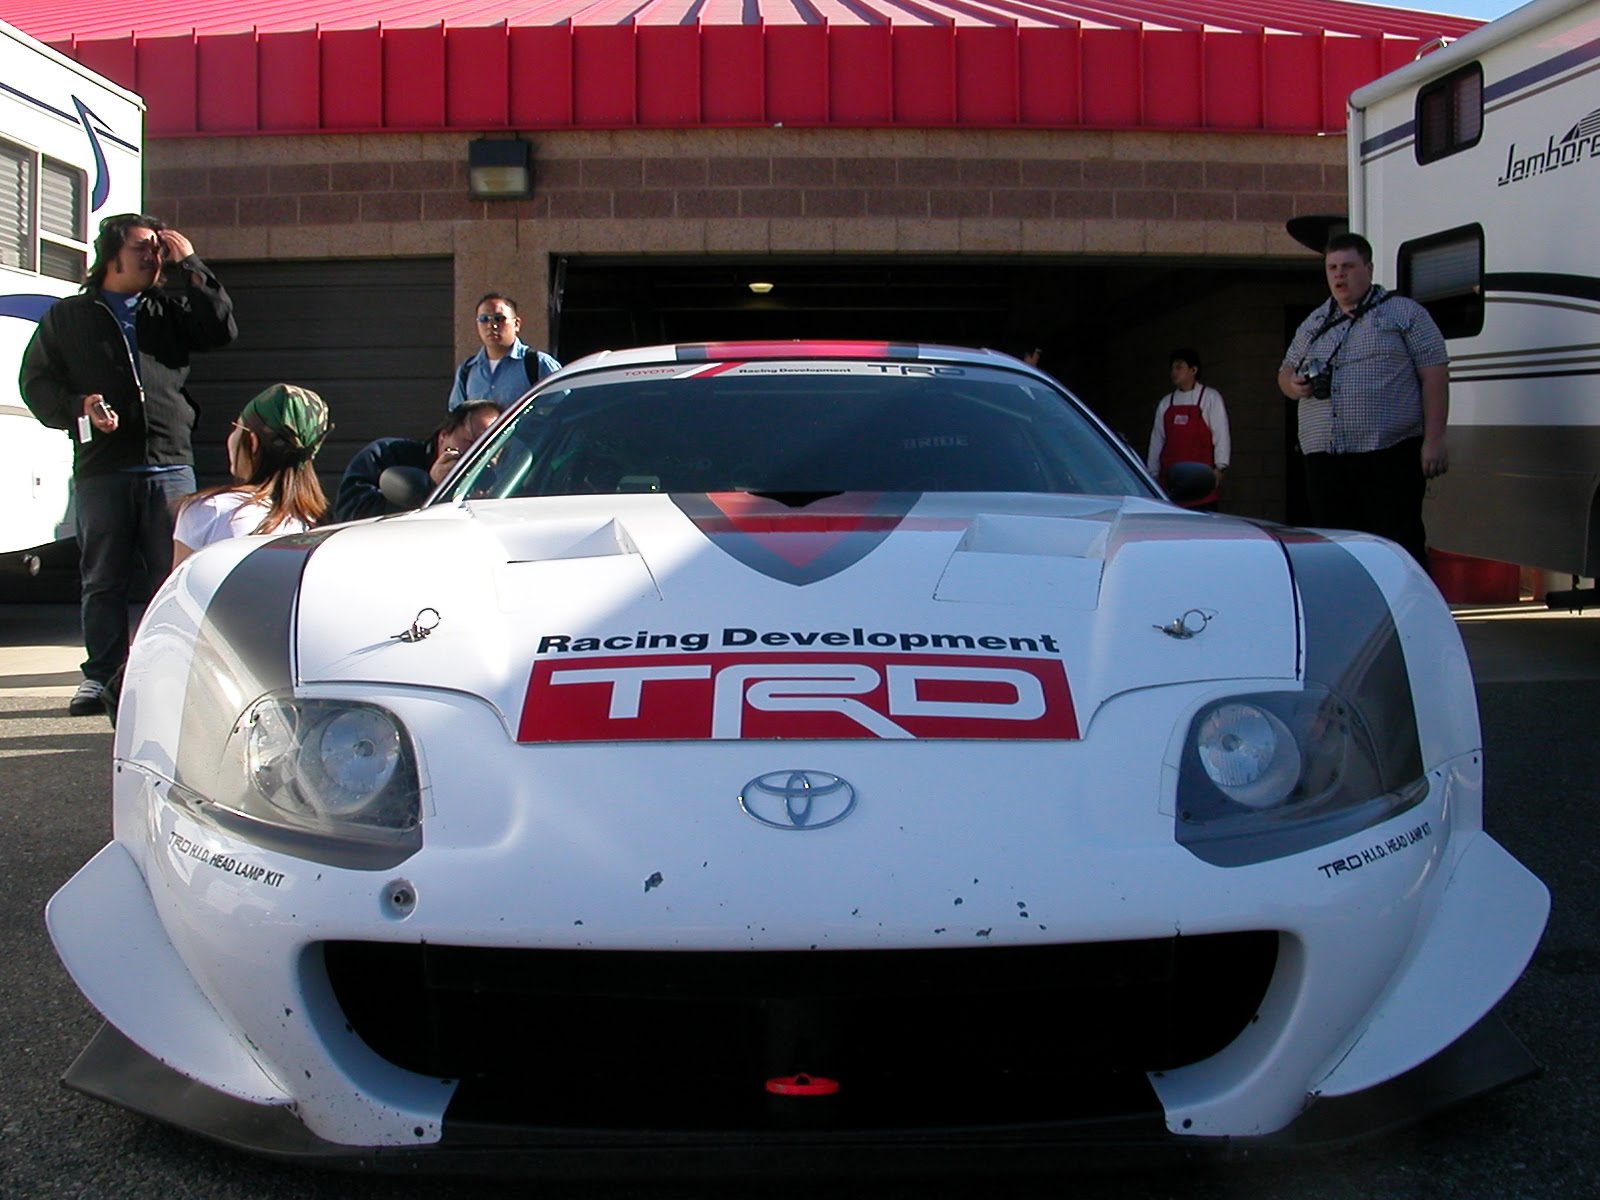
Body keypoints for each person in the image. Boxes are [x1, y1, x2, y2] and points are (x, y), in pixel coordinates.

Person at [20, 213, 237, 716]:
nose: (153, 255)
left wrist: (191, 263)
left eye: (158, 247)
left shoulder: (168, 309)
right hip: (103, 467)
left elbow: (221, 327)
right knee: (103, 578)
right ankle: (100, 678)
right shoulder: (70, 317)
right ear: (112, 255)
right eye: (143, 246)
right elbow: (36, 382)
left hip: (169, 464)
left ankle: (175, 672)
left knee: (174, 576)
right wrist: (78, 407)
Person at [1278, 232, 1449, 568]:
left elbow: (1435, 374)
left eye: (1348, 266)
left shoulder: (1403, 313)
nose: (1339, 275)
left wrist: (1435, 440)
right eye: (1332, 268)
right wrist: (1294, 386)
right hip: (1325, 461)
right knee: (1337, 551)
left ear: (1368, 269)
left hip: (1388, 455)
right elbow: (1284, 373)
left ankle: (1406, 615)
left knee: (1396, 547)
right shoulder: (1313, 323)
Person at [172, 383, 331, 568]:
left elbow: (178, 592)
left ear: (253, 442)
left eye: (237, 427)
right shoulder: (319, 522)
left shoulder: (210, 510)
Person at [335, 401, 503, 522]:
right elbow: (350, 514)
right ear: (443, 437)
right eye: (471, 443)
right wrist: (430, 487)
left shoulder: (506, 479)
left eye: (492, 450)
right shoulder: (387, 455)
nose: (477, 456)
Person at [1147, 347, 1230, 511]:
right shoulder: (1166, 403)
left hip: (1202, 487)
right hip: (1170, 488)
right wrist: (1152, 474)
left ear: (1193, 370)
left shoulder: (1210, 398)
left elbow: (1222, 435)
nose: (1174, 372)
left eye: (1179, 367)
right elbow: (1157, 440)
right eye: (1172, 368)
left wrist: (1220, 469)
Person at [447, 293, 559, 410]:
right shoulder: (467, 370)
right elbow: (457, 416)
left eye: (499, 319)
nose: (491, 326)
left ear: (516, 324)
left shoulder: (538, 364)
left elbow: (566, 407)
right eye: (484, 319)